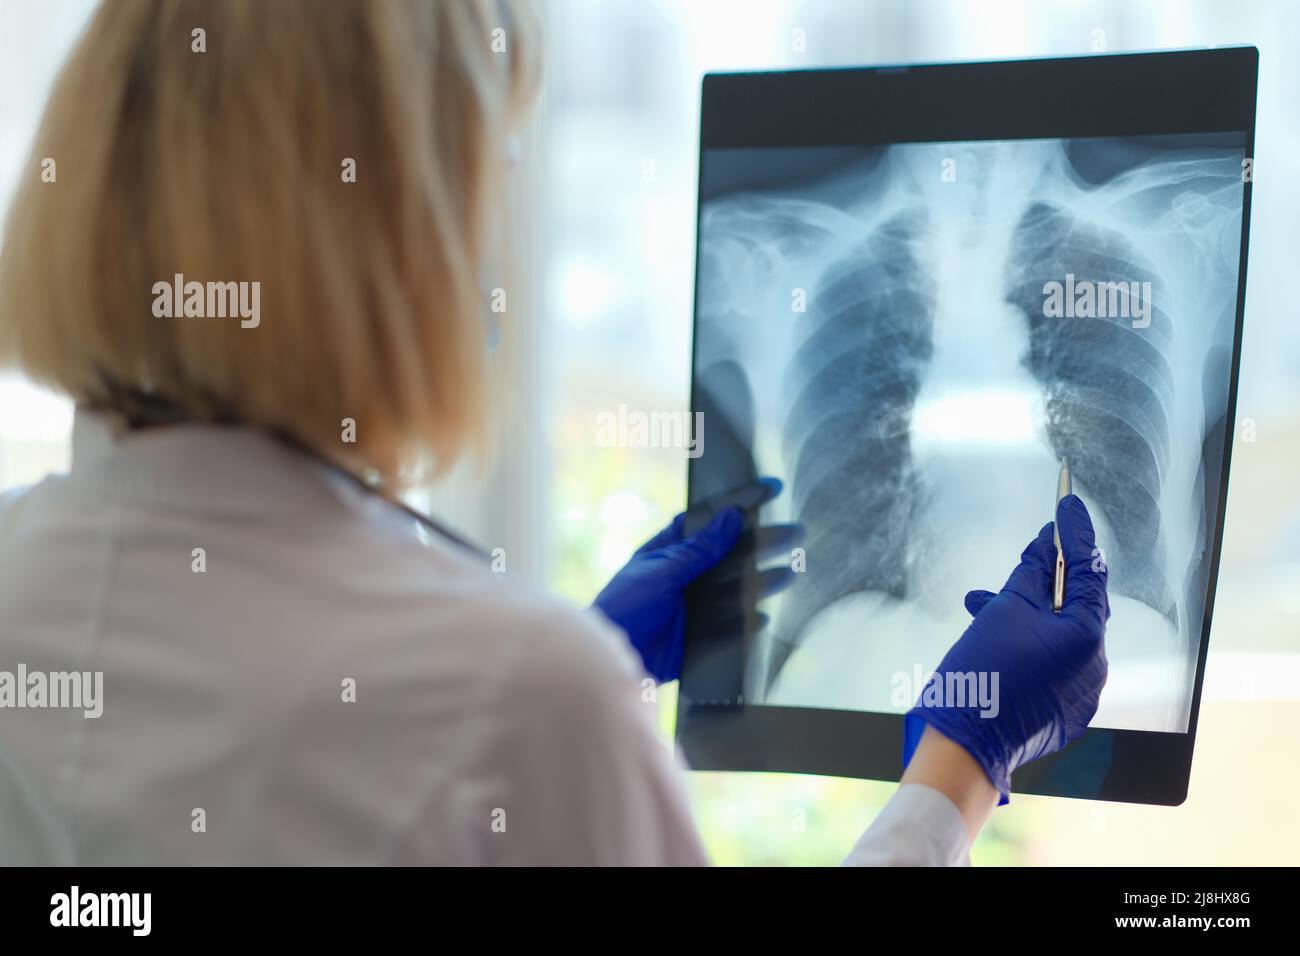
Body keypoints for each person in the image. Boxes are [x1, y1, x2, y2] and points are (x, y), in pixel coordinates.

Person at [0, 0, 1108, 866]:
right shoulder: (516, 698)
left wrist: (573, 674)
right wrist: (960, 769)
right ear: (395, 237)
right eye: (492, 170)